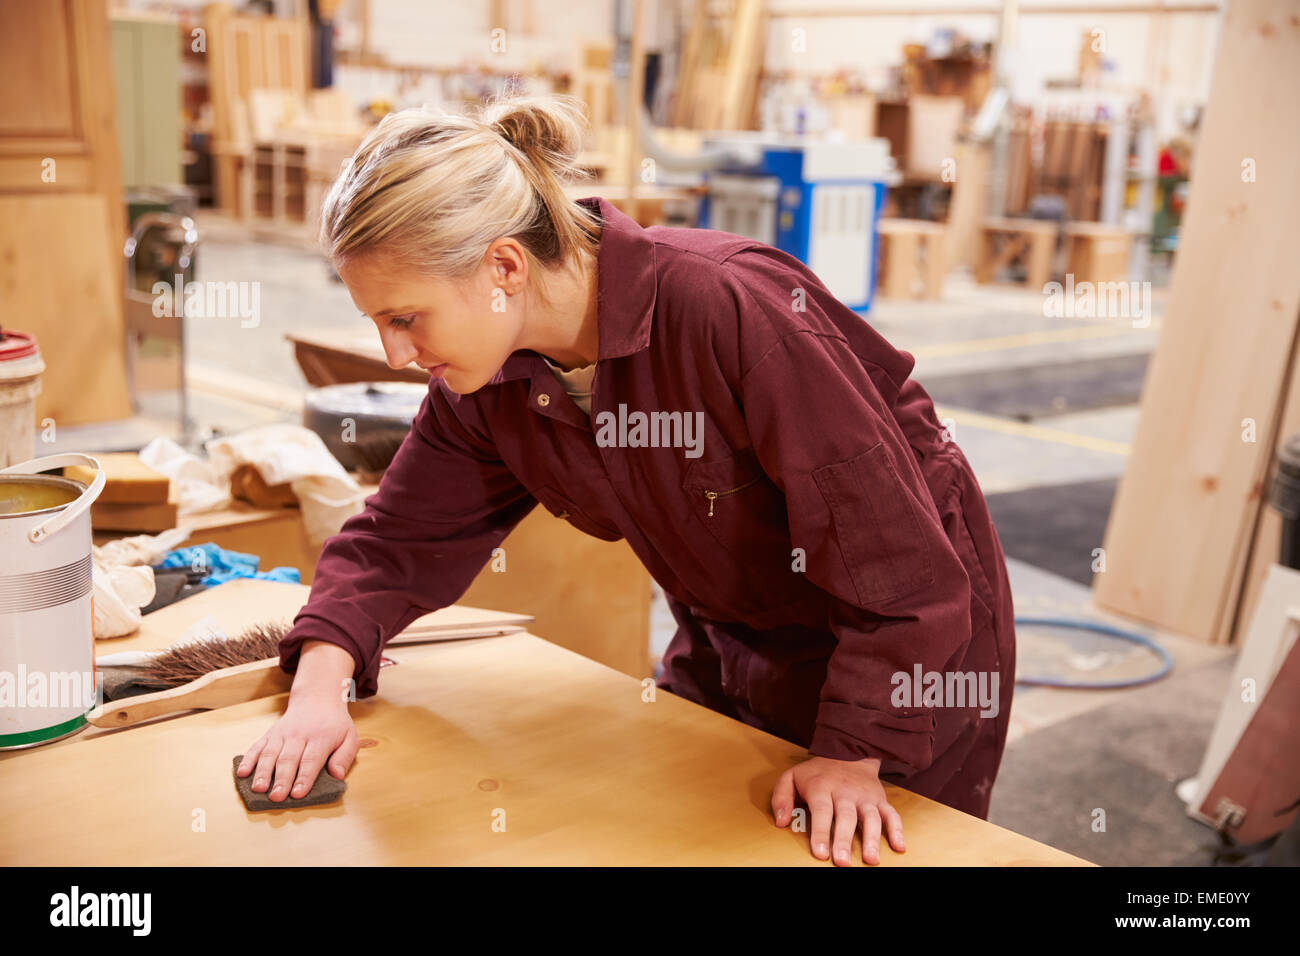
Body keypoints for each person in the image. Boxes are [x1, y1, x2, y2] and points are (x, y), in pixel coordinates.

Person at [237, 93, 1016, 866]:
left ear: (503, 266)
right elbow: (396, 543)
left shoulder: (733, 310)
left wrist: (853, 751)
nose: (393, 355)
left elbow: (899, 566)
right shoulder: (490, 386)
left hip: (910, 655)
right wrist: (317, 693)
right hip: (731, 639)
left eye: (405, 318)